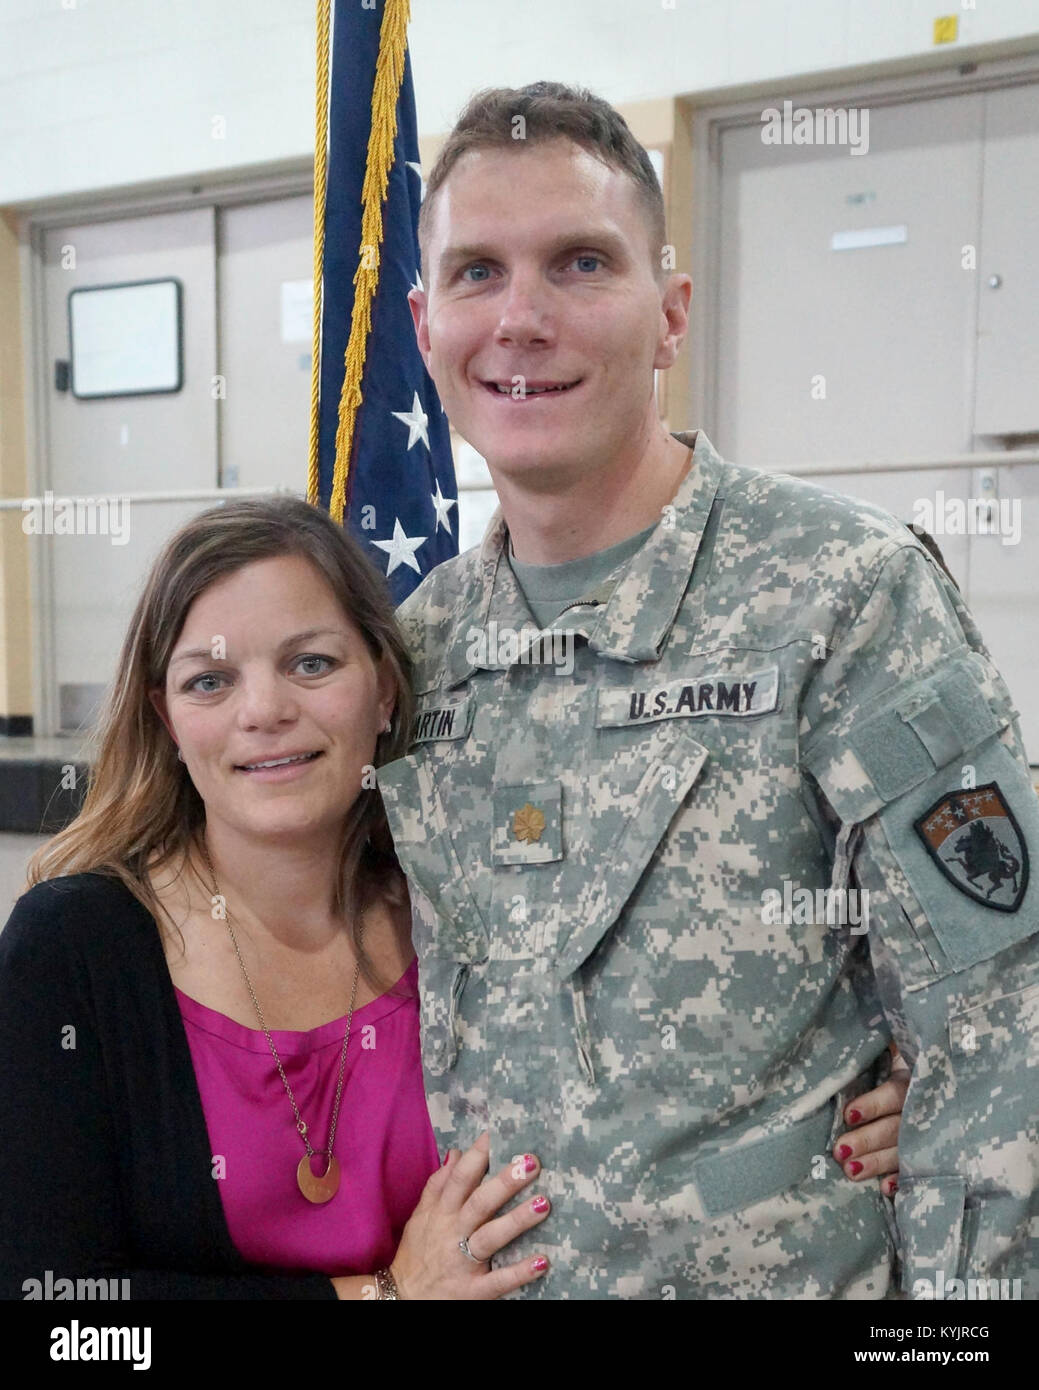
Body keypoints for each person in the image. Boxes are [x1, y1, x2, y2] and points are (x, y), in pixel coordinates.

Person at [384, 81, 1039, 1299]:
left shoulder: (843, 595)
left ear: (670, 314)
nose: (520, 318)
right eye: (477, 273)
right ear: (425, 326)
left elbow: (1002, 1020)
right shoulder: (415, 650)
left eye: (580, 263)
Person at [0, 498, 555, 1301]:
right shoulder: (73, 948)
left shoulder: (464, 915)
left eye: (311, 664)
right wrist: (385, 1294)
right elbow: (58, 1322)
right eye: (210, 681)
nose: (263, 712)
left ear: (385, 690)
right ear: (168, 720)